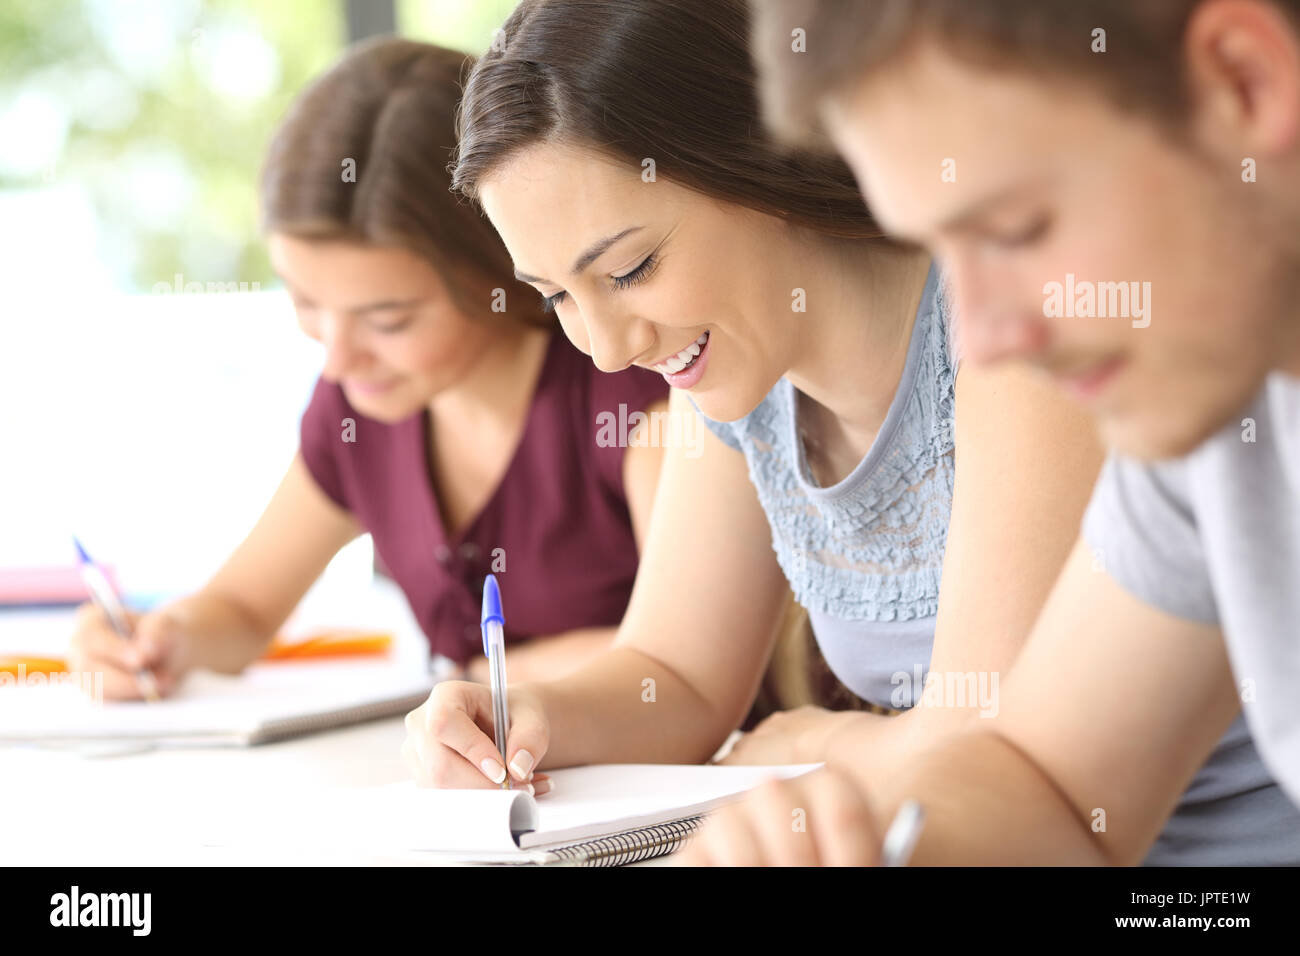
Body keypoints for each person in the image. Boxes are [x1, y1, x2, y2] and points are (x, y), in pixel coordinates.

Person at [397, 0, 1264, 864]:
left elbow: (991, 745)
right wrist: (533, 712)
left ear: (758, 162)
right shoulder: (735, 380)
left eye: (631, 269)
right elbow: (1050, 791)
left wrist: (825, 753)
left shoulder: (1073, 356)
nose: (609, 351)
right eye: (554, 296)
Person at [678, 0, 1300, 865]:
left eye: (1014, 230)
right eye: (937, 253)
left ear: (1246, 80)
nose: (982, 340)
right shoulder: (1217, 415)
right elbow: (1050, 784)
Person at [68, 38, 667, 712]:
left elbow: (677, 660)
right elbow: (241, 607)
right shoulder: (359, 409)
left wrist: (473, 674)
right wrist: (163, 638)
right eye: (306, 303)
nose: (338, 359)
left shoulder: (630, 390)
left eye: (389, 320)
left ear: (504, 269)